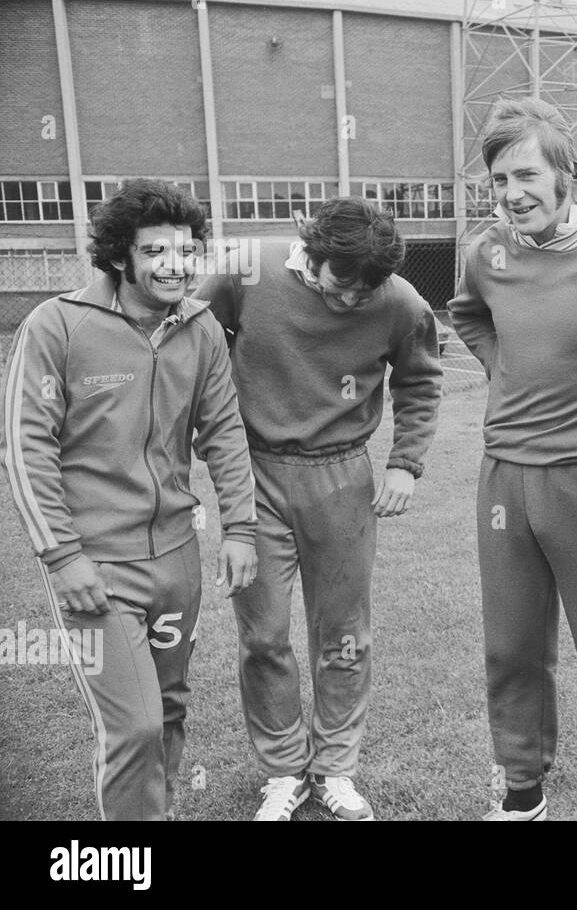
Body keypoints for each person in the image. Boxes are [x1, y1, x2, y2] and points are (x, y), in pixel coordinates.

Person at [1, 178, 258, 821]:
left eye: (185, 250)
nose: (175, 265)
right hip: (96, 563)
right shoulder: (57, 325)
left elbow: (222, 431)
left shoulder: (200, 329)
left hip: (176, 558)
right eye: (156, 252)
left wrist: (241, 529)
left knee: (169, 711)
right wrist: (62, 558)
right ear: (121, 257)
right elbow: (24, 447)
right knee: (136, 726)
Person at [449, 98, 577, 821]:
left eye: (527, 175)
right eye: (499, 180)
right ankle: (522, 790)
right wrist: (503, 370)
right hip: (503, 476)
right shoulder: (488, 252)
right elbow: (467, 311)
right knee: (510, 647)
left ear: (569, 173)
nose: (512, 194)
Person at [195, 196, 442, 821]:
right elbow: (193, 339)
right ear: (314, 252)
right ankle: (283, 771)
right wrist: (205, 423)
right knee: (263, 633)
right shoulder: (247, 271)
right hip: (252, 475)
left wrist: (404, 463)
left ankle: (335, 767)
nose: (352, 299)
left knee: (344, 635)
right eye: (341, 282)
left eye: (368, 289)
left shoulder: (401, 303)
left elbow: (420, 380)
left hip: (341, 478)